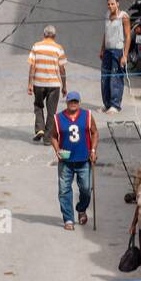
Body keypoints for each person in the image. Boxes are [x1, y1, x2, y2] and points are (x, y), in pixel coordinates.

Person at [51, 91, 97, 231]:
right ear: (67, 102)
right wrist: (57, 150)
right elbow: (53, 136)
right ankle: (68, 218)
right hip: (66, 162)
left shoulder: (87, 116)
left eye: (76, 101)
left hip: (84, 160)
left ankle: (81, 209)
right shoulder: (58, 118)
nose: (73, 104)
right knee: (64, 190)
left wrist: (93, 150)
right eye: (71, 101)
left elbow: (94, 132)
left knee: (86, 189)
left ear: (79, 102)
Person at [27, 25, 68, 144]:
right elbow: (62, 69)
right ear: (54, 36)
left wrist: (30, 84)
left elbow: (32, 66)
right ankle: (47, 137)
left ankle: (40, 129)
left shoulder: (36, 46)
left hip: (38, 83)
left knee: (38, 105)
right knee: (52, 111)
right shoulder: (58, 48)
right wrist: (64, 86)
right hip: (54, 84)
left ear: (44, 35)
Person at [100, 0, 130, 113]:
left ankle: (115, 104)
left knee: (115, 77)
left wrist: (125, 55)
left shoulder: (123, 16)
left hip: (118, 50)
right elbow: (105, 33)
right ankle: (107, 104)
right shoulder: (107, 15)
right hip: (107, 50)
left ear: (118, 4)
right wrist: (102, 49)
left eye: (112, 4)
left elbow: (128, 37)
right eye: (108, 4)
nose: (110, 6)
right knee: (105, 77)